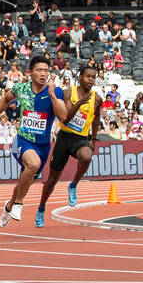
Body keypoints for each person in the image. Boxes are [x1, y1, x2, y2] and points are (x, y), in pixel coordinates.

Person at [0, 55, 69, 227]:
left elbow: (63, 116)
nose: (43, 74)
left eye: (46, 71)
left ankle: (9, 205)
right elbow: (5, 100)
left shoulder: (56, 91)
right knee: (32, 165)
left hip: (44, 145)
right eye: (39, 70)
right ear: (30, 72)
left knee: (26, 180)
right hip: (23, 140)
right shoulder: (21, 88)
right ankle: (18, 204)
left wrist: (53, 95)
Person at [33, 63, 102, 227]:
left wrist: (93, 138)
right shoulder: (68, 93)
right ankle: (41, 208)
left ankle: (73, 185)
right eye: (88, 76)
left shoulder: (97, 99)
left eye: (93, 77)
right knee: (51, 181)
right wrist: (79, 103)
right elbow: (66, 118)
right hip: (64, 138)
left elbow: (97, 116)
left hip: (81, 138)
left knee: (87, 156)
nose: (91, 80)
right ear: (80, 77)